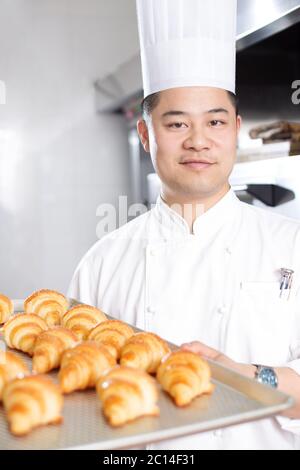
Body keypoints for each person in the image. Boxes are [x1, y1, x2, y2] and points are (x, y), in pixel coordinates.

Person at [68, 0, 300, 449]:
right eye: (176, 124)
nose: (198, 141)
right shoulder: (101, 264)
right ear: (145, 135)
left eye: (214, 122)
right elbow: (78, 403)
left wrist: (247, 377)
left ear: (234, 129)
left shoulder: (292, 245)